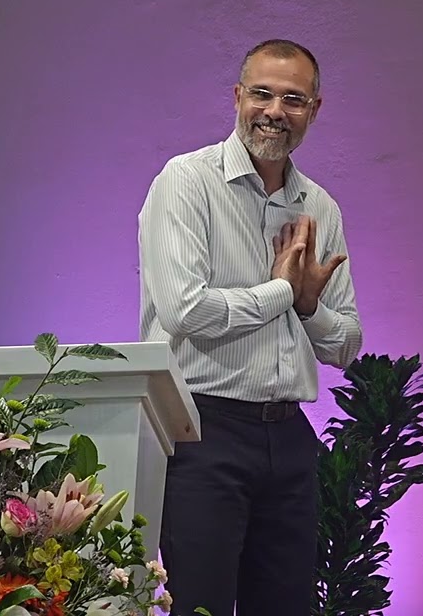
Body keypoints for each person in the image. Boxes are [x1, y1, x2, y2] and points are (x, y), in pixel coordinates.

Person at [137, 39, 363, 616]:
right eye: (261, 93)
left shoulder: (320, 207)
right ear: (237, 97)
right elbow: (185, 312)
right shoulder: (186, 181)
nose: (274, 111)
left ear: (314, 110)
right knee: (200, 605)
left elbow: (346, 344)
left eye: (293, 99)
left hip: (288, 439)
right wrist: (281, 293)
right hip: (200, 430)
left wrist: (307, 309)